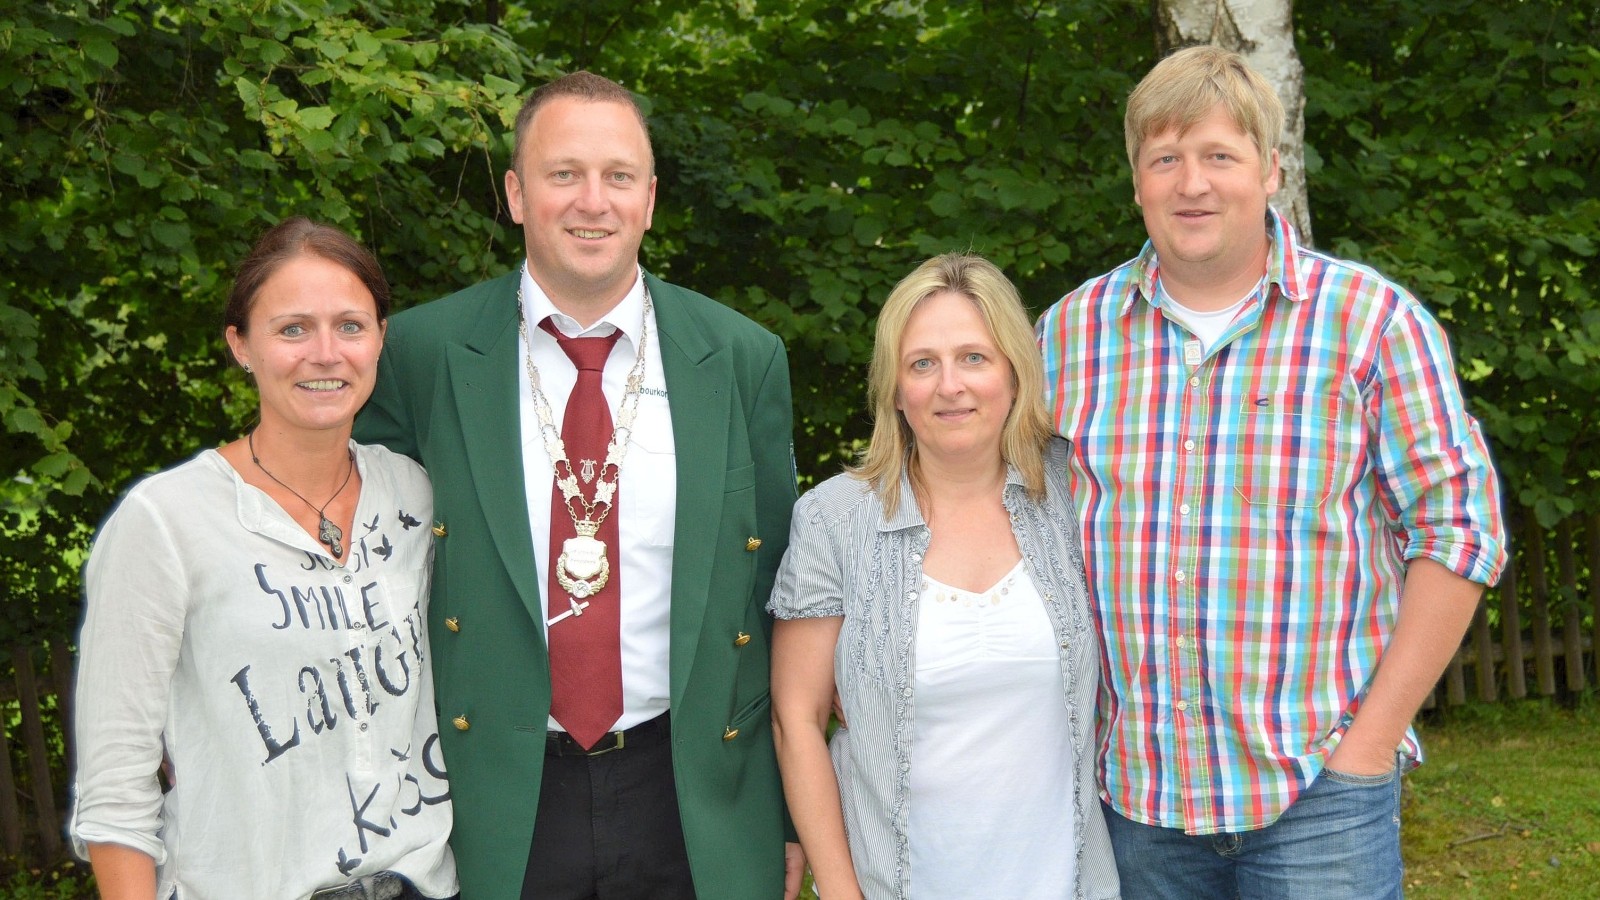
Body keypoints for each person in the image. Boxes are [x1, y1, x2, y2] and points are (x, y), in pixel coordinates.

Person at [1036, 45, 1509, 898]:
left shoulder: (1370, 323)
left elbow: (1461, 530)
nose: (1193, 184)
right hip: (1136, 801)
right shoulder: (1067, 338)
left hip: (1319, 795)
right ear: (1136, 178)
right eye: (1166, 158)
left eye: (1220, 155)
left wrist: (1369, 745)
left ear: (1271, 169)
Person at [353, 71, 800, 900]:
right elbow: (366, 590)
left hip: (695, 791)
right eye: (564, 174)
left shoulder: (741, 358)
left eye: (618, 176)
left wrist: (784, 812)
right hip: (488, 796)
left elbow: (774, 597)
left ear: (651, 197)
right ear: (518, 193)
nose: (592, 201)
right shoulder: (419, 355)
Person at [69, 218, 457, 900]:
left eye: (350, 326)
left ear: (380, 341)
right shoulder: (166, 522)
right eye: (292, 329)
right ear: (240, 346)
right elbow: (116, 785)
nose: (326, 353)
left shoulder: (415, 494)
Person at [769, 253, 1120, 900]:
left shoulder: (1078, 495)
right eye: (922, 363)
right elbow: (798, 719)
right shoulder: (834, 520)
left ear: (1015, 374)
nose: (948, 384)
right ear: (896, 391)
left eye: (974, 358)